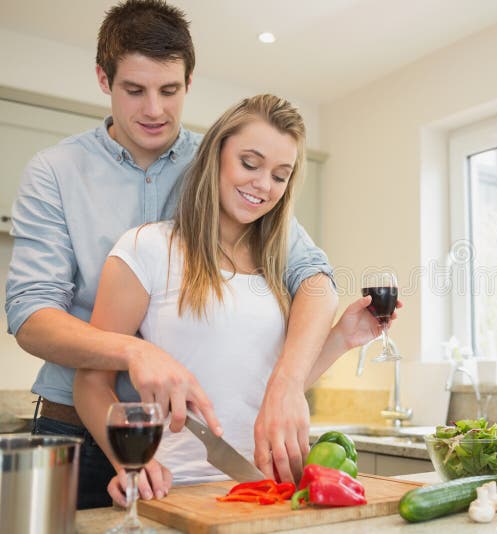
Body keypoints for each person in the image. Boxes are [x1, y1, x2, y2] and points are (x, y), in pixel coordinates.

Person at [4, 0, 337, 509]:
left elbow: (314, 276)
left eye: (170, 90)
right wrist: (135, 352)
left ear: (188, 82)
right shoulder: (55, 171)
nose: (154, 110)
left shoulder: (222, 165)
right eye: (134, 90)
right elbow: (30, 315)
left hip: (179, 444)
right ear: (103, 78)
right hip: (74, 421)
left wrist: (289, 383)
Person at [74, 94, 394, 504]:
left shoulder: (278, 268)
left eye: (280, 175)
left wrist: (341, 339)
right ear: (216, 155)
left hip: (269, 491)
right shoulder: (147, 248)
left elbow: (268, 388)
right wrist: (128, 462)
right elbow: (90, 381)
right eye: (250, 163)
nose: (263, 185)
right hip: (177, 493)